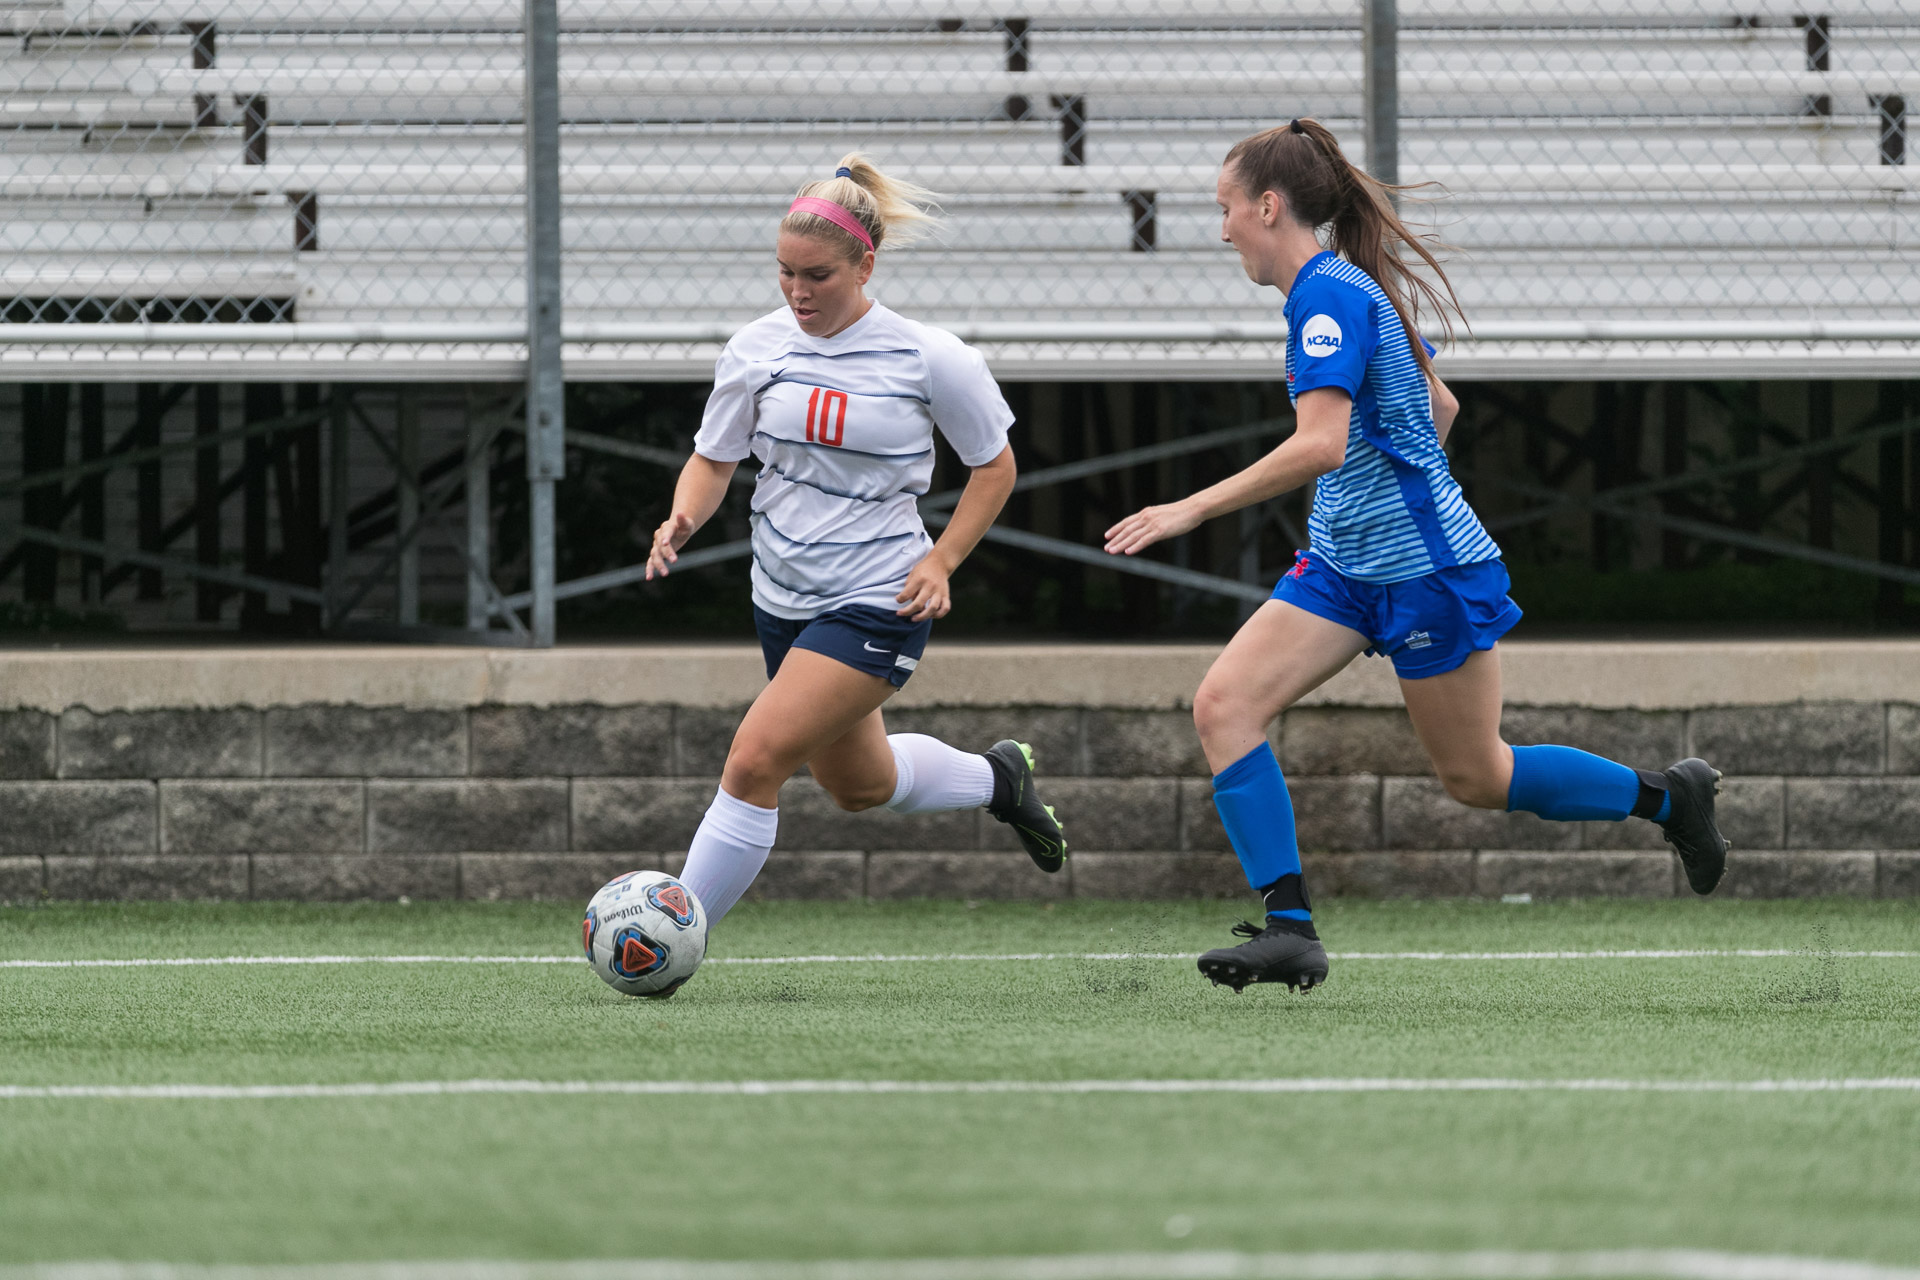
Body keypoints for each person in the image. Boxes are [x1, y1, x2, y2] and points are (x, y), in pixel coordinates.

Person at [1103, 119, 1728, 995]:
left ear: (1269, 206)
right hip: (1346, 567)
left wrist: (1191, 507)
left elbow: (1321, 444)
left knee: (1477, 775)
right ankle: (1289, 930)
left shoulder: (1330, 297)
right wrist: (1374, 498)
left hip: (1427, 575)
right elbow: (1439, 406)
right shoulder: (1341, 291)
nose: (1222, 229)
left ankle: (1670, 798)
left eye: (1227, 209)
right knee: (1223, 707)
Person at [646, 154, 1068, 976]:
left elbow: (996, 467)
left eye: (818, 276)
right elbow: (713, 456)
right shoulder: (756, 348)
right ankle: (997, 780)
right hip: (783, 593)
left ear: (865, 266)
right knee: (858, 786)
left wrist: (943, 560)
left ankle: (669, 938)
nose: (798, 293)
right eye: (784, 274)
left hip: (880, 595)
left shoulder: (931, 358)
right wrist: (683, 515)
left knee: (755, 760)